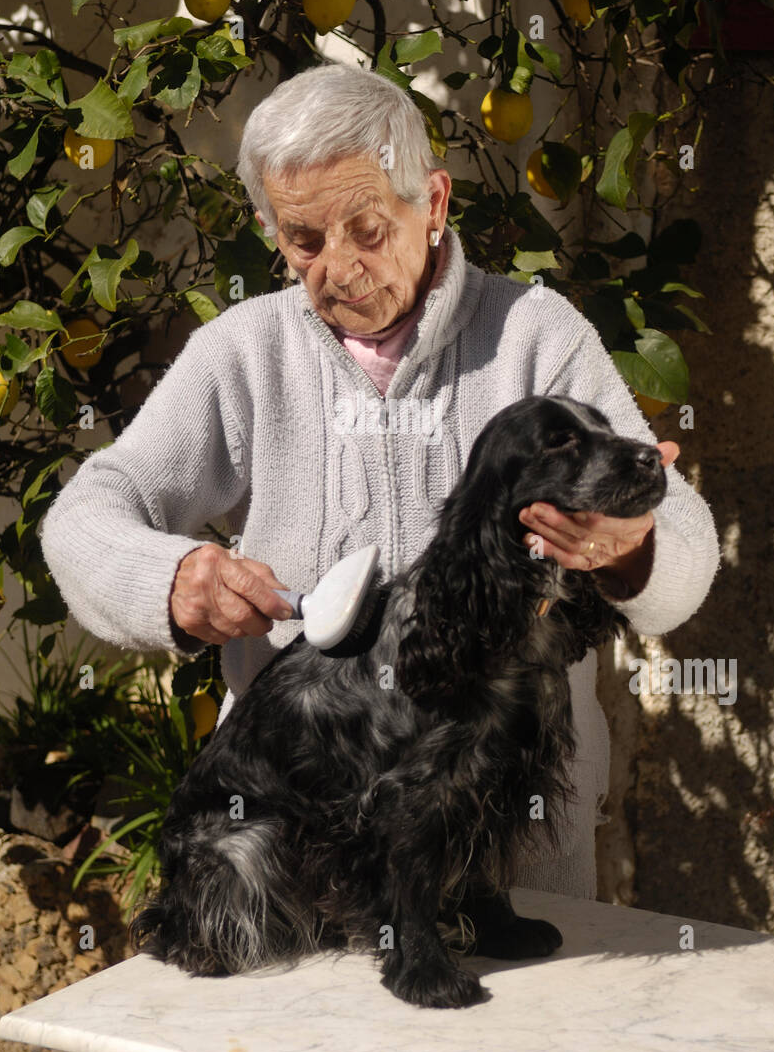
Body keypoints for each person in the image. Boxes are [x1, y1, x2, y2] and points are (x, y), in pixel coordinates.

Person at [40, 61, 719, 899]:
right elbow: (84, 514)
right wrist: (172, 579)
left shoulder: (535, 337)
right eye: (303, 240)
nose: (339, 268)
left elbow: (684, 544)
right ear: (268, 229)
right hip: (292, 854)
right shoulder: (246, 352)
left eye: (366, 228)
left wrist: (632, 548)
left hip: (511, 868)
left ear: (431, 204)